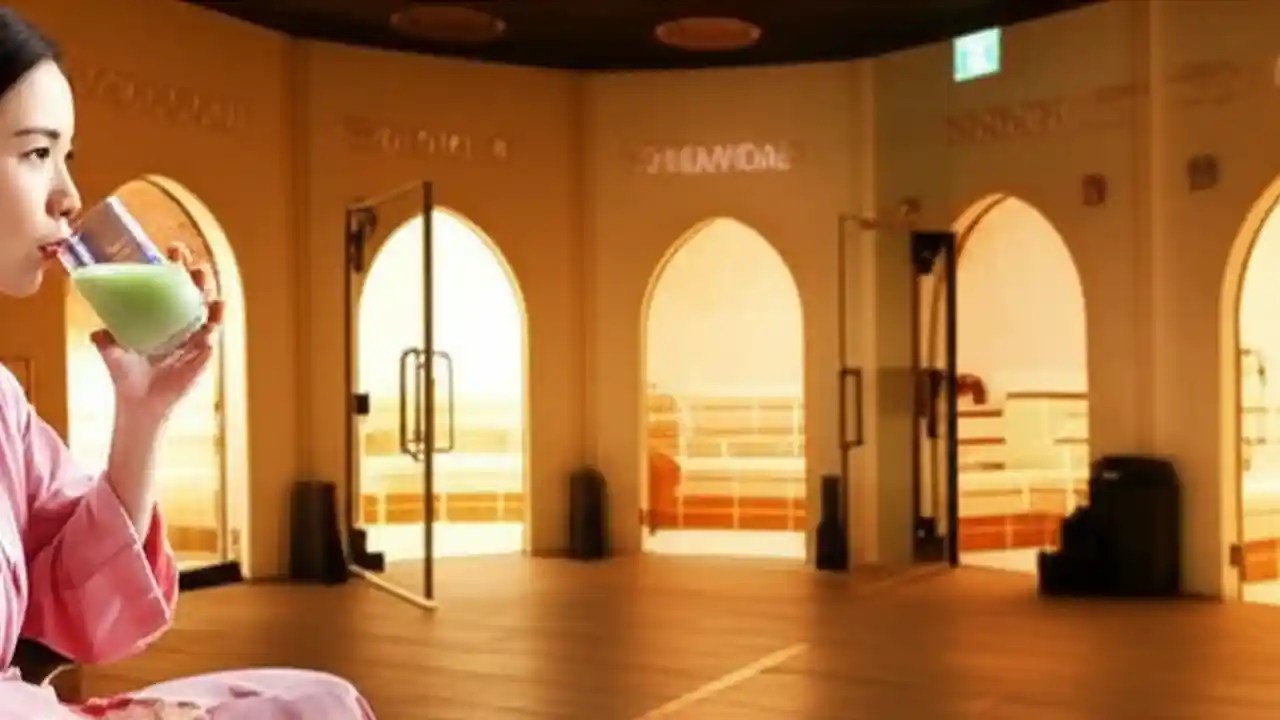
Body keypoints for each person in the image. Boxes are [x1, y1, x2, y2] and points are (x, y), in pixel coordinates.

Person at [0, 8, 375, 719]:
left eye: (67, 156)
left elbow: (74, 607)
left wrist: (143, 415)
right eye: (37, 152)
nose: (69, 196)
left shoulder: (2, 404)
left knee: (316, 702)